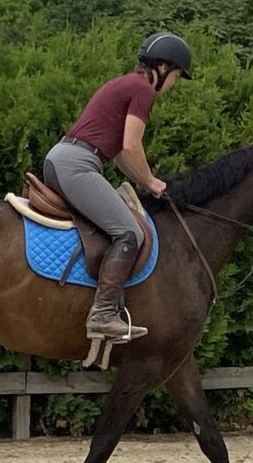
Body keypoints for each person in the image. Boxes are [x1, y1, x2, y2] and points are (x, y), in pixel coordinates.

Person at [43, 32, 192, 343]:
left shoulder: (124, 83)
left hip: (66, 158)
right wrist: (151, 180)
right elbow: (132, 143)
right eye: (177, 76)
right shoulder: (143, 89)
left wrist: (147, 183)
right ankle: (102, 315)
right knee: (130, 233)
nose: (175, 84)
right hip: (77, 165)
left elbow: (122, 153)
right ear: (163, 68)